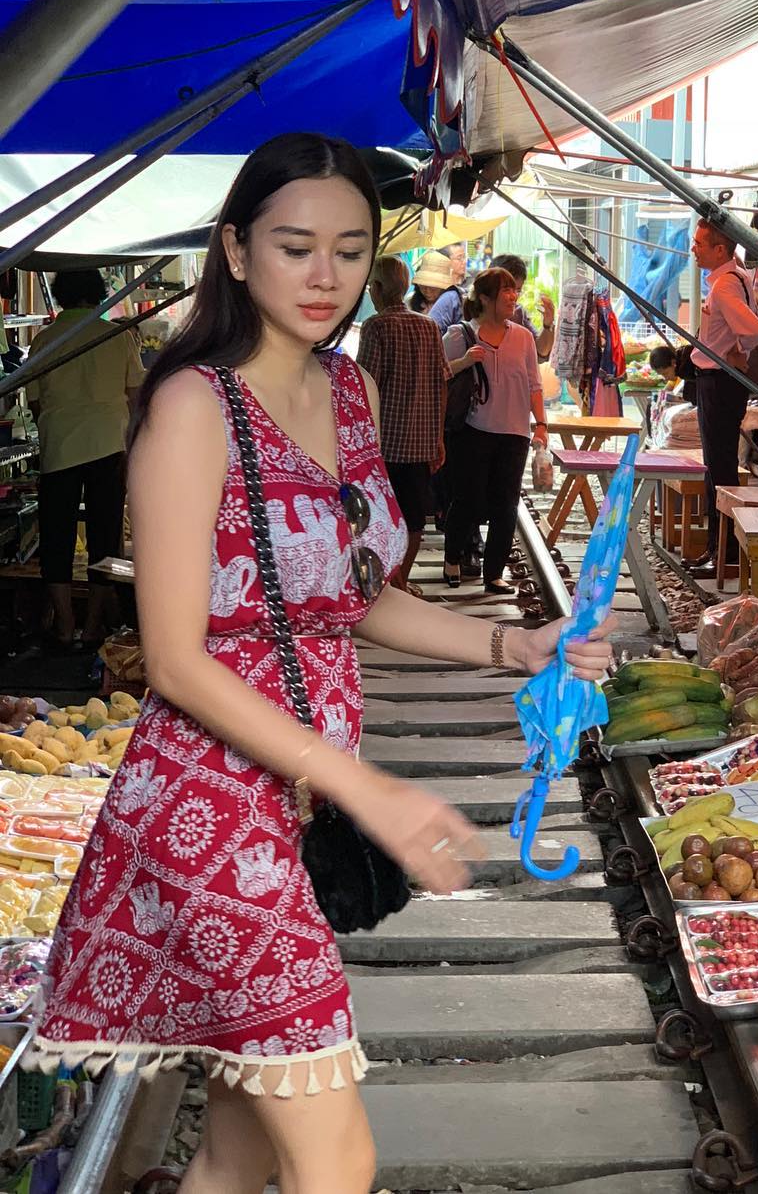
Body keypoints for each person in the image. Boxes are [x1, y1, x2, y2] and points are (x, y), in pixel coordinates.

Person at [27, 134, 612, 1193]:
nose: (325, 275)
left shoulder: (351, 394)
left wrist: (510, 641)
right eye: (295, 245)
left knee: (240, 1146)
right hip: (208, 808)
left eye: (347, 249)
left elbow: (356, 595)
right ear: (236, 250)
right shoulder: (192, 404)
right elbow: (173, 657)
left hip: (294, 798)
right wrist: (367, 786)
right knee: (336, 1158)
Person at [26, 267, 145, 650]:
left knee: (57, 537)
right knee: (105, 535)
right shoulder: (117, 335)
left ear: (60, 296)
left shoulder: (44, 339)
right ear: (98, 294)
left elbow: (36, 401)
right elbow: (134, 394)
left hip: (60, 446)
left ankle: (64, 627)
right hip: (109, 444)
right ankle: (94, 627)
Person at [442, 267, 548, 593]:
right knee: (468, 499)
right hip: (474, 430)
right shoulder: (460, 335)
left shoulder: (524, 337)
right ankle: (452, 559)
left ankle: (494, 574)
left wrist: (541, 425)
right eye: (506, 291)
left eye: (514, 291)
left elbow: (534, 385)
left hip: (514, 433)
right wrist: (465, 362)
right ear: (486, 298)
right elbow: (438, 376)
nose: (513, 297)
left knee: (506, 505)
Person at [356, 254, 449, 595]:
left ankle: (385, 584)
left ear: (377, 289)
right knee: (412, 516)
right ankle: (402, 581)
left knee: (378, 514)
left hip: (383, 444)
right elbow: (442, 383)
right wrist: (438, 437)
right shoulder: (428, 326)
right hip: (421, 442)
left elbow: (365, 385)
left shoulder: (376, 327)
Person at [683, 220, 758, 571]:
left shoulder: (725, 287)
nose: (693, 249)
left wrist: (740, 350)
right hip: (717, 381)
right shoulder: (734, 277)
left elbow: (755, 329)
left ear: (720, 250)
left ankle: (724, 551)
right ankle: (717, 546)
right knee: (716, 466)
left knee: (721, 468)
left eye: (701, 243)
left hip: (719, 381)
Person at [490, 252, 556, 363]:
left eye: (518, 290)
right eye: (507, 289)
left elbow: (540, 353)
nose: (514, 296)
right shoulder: (470, 313)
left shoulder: (518, 313)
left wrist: (547, 325)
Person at [407, 250, 455, 315]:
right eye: (423, 287)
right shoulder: (409, 302)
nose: (427, 291)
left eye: (433, 288)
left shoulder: (453, 303)